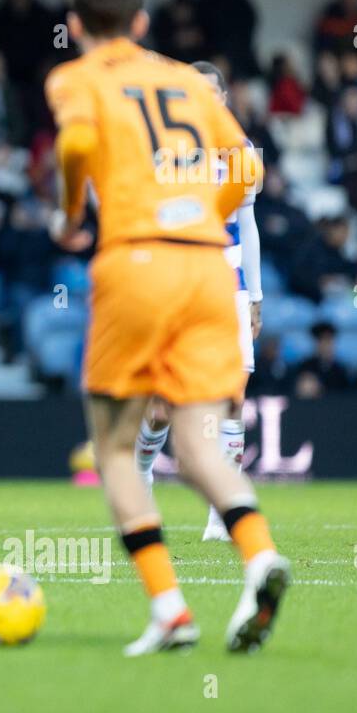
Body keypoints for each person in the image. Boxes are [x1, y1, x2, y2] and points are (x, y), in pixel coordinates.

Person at [45, 0, 287, 656]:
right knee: (198, 438)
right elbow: (247, 165)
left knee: (117, 447)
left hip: (137, 261)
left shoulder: (77, 77)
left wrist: (69, 217)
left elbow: (79, 142)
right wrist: (201, 218)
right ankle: (261, 556)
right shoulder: (186, 82)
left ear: (76, 25)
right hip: (210, 268)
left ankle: (171, 609)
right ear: (143, 21)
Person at [134, 61, 263, 544]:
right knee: (164, 405)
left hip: (226, 276)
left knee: (233, 395)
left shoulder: (242, 152)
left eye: (213, 93)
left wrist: (255, 294)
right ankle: (143, 467)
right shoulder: (165, 148)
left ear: (225, 99)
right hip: (176, 278)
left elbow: (247, 224)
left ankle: (220, 514)